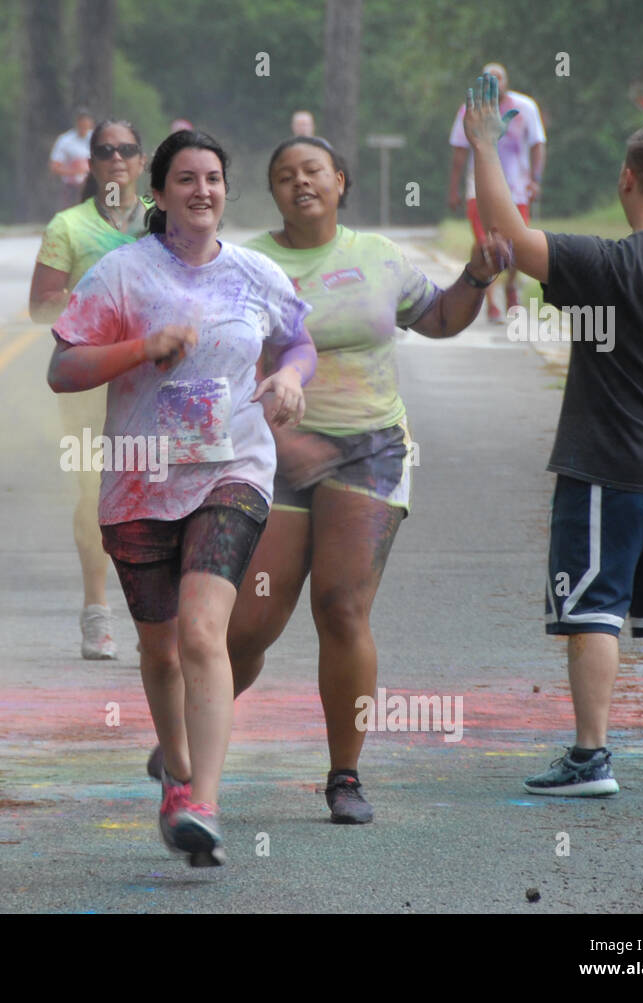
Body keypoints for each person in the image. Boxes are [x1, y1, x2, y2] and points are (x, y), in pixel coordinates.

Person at [462, 73, 643, 796]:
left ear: (628, 180)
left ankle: (592, 756)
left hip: (604, 475)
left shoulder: (605, 263)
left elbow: (512, 237)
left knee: (593, 608)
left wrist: (484, 147)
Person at [214, 136, 510, 824]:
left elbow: (435, 317)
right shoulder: (248, 263)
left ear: (340, 181)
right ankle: (196, 725)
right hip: (272, 450)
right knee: (251, 621)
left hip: (371, 450)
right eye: (284, 175)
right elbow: (225, 360)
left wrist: (475, 277)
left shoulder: (376, 255)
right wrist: (283, 437)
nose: (300, 183)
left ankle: (344, 776)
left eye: (312, 170)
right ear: (274, 192)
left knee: (342, 608)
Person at [48, 130, 317, 866]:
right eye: (187, 179)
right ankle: (175, 770)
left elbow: (299, 339)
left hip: (232, 471)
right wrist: (143, 347)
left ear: (227, 191)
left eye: (214, 179)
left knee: (202, 634)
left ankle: (204, 801)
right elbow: (63, 368)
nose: (203, 190)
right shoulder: (120, 275)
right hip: (139, 478)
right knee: (160, 650)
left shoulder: (256, 274)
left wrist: (291, 376)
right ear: (159, 194)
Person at [31, 119, 154, 660]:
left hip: (157, 383)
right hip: (89, 384)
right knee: (95, 497)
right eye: (105, 151)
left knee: (158, 497)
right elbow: (40, 307)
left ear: (143, 160)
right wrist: (98, 306)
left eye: (127, 150)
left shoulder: (162, 217)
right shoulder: (68, 227)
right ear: (92, 163)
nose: (117, 159)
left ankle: (158, 616)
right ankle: (96, 612)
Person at [448, 62, 546, 322]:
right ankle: (491, 303)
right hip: (477, 190)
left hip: (516, 191)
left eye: (499, 77)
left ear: (507, 80)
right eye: (489, 78)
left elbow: (538, 144)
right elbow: (459, 151)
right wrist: (453, 189)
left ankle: (511, 286)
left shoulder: (525, 108)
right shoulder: (470, 110)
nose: (495, 82)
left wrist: (535, 180)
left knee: (516, 249)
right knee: (486, 246)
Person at [49, 109, 95, 210]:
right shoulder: (65, 140)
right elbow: (55, 166)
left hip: (92, 185)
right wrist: (75, 171)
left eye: (86, 124)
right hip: (72, 186)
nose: (84, 127)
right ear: (77, 123)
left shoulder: (96, 138)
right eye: (81, 123)